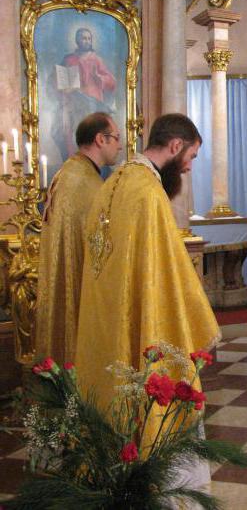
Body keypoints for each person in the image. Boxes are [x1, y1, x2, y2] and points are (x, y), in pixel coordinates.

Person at [75, 114, 220, 488]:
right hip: (141, 317)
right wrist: (196, 317)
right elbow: (168, 271)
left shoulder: (115, 181)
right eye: (191, 156)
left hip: (106, 321)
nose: (188, 166)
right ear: (175, 147)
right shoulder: (148, 192)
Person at [36, 112, 122, 364]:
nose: (119, 145)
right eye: (116, 138)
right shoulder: (87, 184)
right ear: (100, 139)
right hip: (80, 286)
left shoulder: (68, 173)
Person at [53, 27, 117, 161]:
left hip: (91, 104)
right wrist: (64, 88)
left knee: (92, 135)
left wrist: (99, 77)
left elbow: (111, 82)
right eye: (83, 38)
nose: (86, 41)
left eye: (89, 38)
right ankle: (73, 161)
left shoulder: (96, 59)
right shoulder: (69, 59)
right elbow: (58, 81)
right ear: (77, 40)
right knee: (64, 132)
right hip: (72, 102)